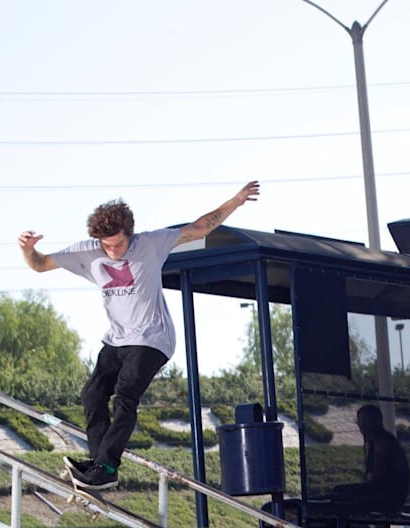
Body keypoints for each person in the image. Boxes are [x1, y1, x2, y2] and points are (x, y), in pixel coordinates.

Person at [18, 181, 261, 489]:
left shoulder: (151, 243)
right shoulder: (87, 252)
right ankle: (99, 465)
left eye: (118, 244)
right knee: (92, 393)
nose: (113, 251)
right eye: (107, 246)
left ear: (129, 234)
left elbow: (200, 228)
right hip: (117, 339)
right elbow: (40, 265)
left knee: (125, 394)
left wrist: (236, 201)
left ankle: (106, 465)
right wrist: (28, 250)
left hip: (152, 338)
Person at [330, 404, 410, 513]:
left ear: (376, 421)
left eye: (365, 420)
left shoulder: (382, 443)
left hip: (388, 497)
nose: (362, 425)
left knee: (338, 494)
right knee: (337, 493)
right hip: (389, 495)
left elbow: (378, 479)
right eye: (360, 420)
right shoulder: (379, 441)